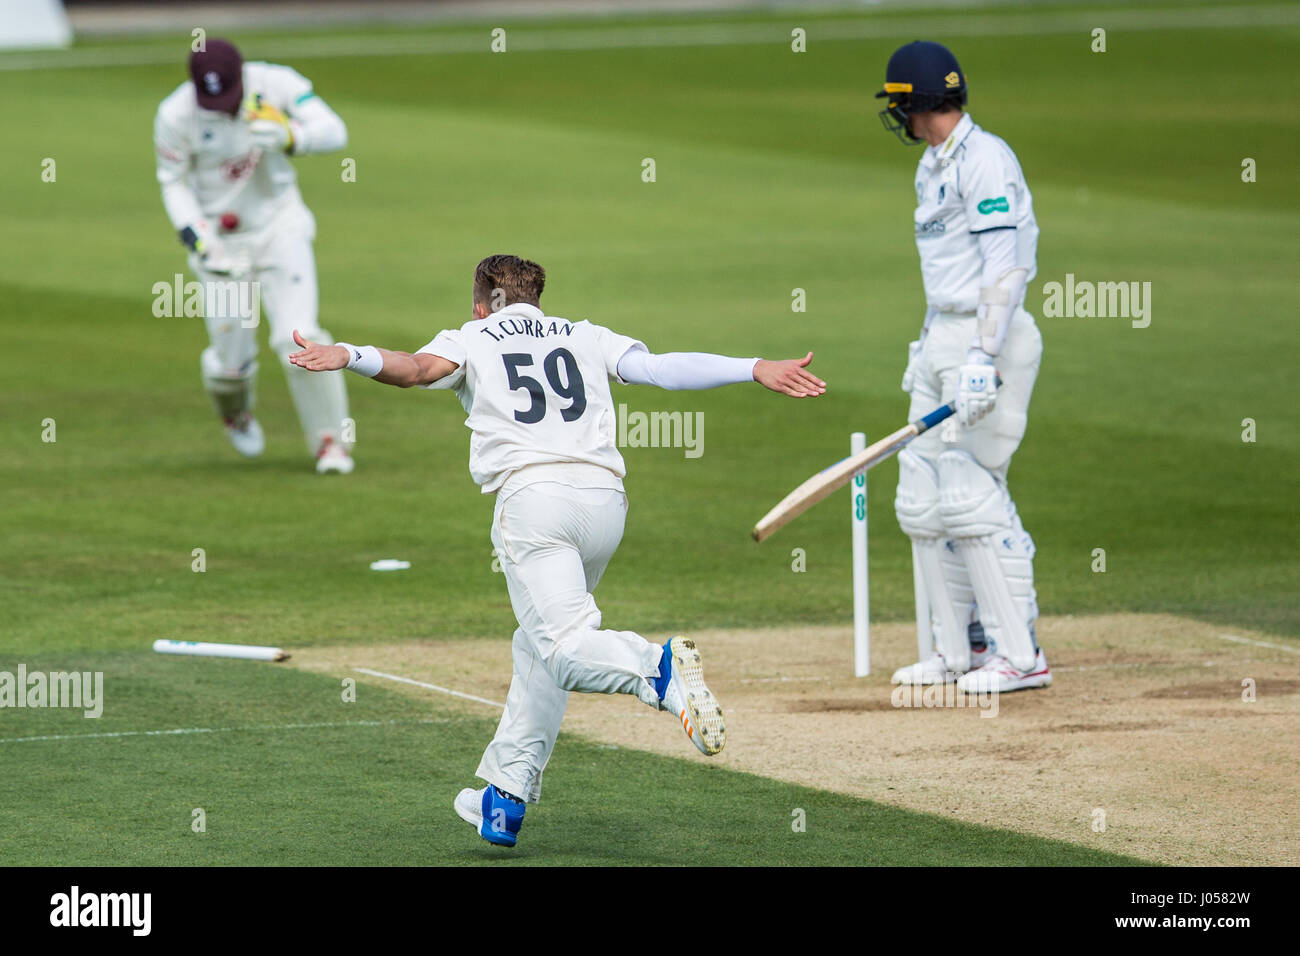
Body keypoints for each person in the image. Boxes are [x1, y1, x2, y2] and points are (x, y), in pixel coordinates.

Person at [290, 254, 826, 846]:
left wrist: (346, 354)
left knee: (567, 650)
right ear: (535, 299)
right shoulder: (584, 334)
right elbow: (662, 368)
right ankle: (505, 796)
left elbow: (413, 369)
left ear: (481, 303)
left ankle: (658, 669)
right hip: (605, 504)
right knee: (539, 644)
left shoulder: (472, 336)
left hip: (534, 505)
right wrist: (753, 366)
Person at [875, 41, 1051, 693]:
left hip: (991, 341)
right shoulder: (933, 164)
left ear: (920, 102)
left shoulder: (985, 160)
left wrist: (982, 356)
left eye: (901, 103)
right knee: (920, 493)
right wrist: (930, 346)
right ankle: (957, 651)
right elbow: (945, 273)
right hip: (943, 337)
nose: (898, 116)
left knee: (969, 490)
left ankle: (1021, 656)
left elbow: (1004, 266)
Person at [154, 37, 354, 473]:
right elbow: (173, 181)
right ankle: (235, 411)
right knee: (231, 365)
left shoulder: (277, 84)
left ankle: (330, 442)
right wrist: (197, 235)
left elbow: (336, 131)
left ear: (242, 75)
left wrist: (291, 135)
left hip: (280, 227)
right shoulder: (174, 114)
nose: (223, 107)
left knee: (298, 338)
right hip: (221, 243)